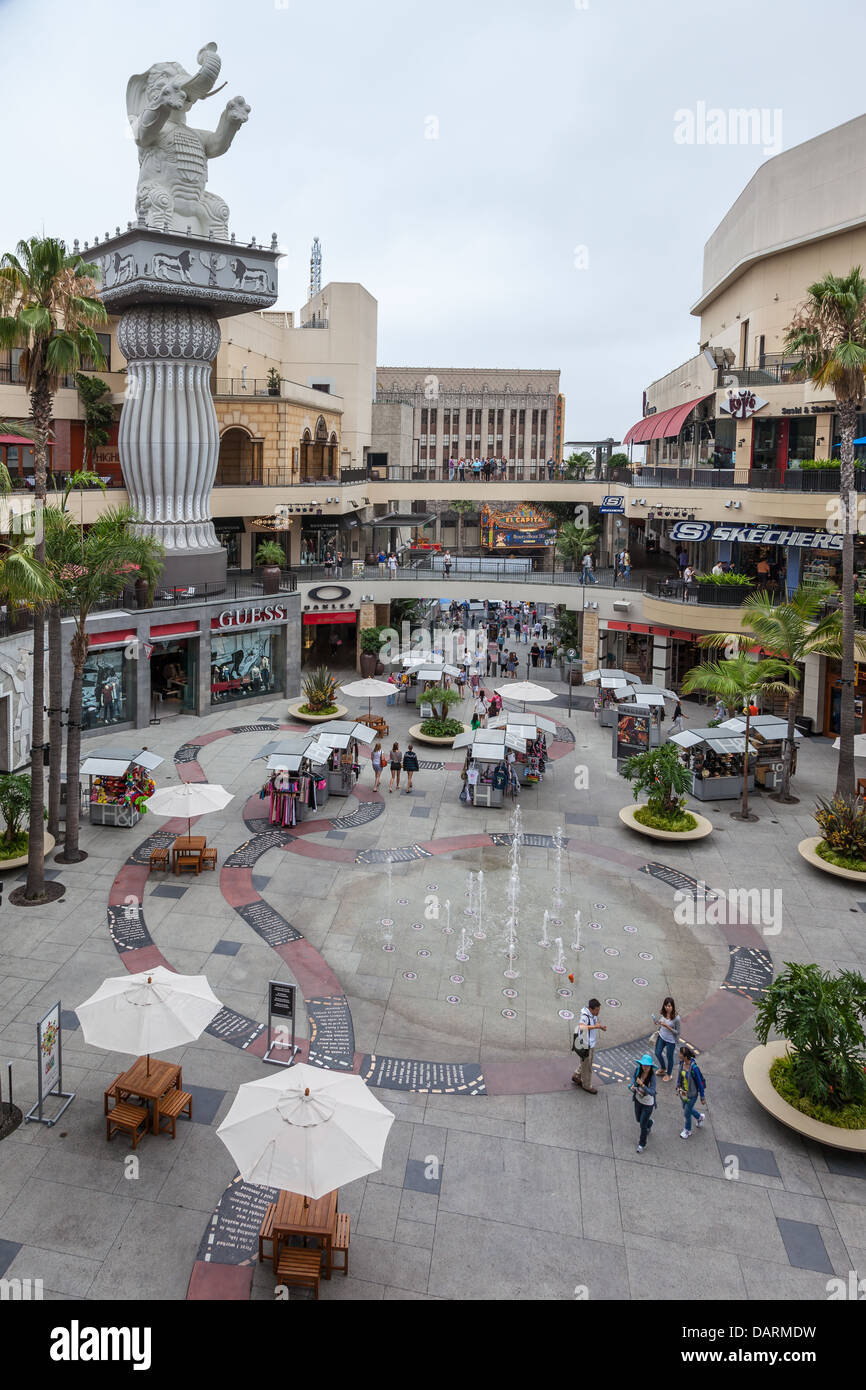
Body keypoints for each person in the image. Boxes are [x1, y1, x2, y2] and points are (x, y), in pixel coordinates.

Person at [572, 997, 606, 1093]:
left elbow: (595, 1022)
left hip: (590, 1043)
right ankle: (587, 1085)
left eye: (599, 1010)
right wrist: (595, 1026)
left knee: (586, 1062)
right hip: (586, 1044)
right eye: (597, 1010)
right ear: (591, 1009)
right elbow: (582, 1026)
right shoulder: (585, 1015)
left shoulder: (593, 1014)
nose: (598, 1012)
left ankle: (577, 1075)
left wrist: (600, 1027)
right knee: (588, 1066)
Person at [676, 1045, 707, 1138]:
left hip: (692, 1095)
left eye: (680, 1053)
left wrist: (702, 1097)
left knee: (687, 1112)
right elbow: (679, 1076)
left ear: (685, 1056)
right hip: (683, 1092)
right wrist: (678, 1086)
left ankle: (687, 1130)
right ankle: (699, 1117)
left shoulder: (694, 1068)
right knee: (685, 1108)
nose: (679, 1054)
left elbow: (700, 1084)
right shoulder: (682, 1063)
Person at [629, 1054, 657, 1152]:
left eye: (647, 1066)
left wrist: (642, 1085)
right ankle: (650, 1123)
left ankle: (642, 1144)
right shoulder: (638, 1070)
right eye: (643, 1065)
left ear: (650, 1067)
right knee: (638, 1119)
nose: (645, 1067)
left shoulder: (653, 1077)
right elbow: (633, 1078)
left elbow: (652, 1092)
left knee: (642, 1125)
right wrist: (631, 1085)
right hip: (638, 1100)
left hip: (648, 1104)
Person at [651, 997, 681, 1080]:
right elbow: (661, 1022)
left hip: (670, 1040)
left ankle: (669, 1074)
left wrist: (667, 1026)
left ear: (673, 1006)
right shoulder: (663, 1013)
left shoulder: (676, 1018)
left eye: (669, 1006)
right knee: (657, 1052)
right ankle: (663, 1068)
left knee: (669, 1057)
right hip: (661, 1036)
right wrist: (657, 1022)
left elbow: (678, 1032)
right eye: (666, 1006)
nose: (667, 1008)